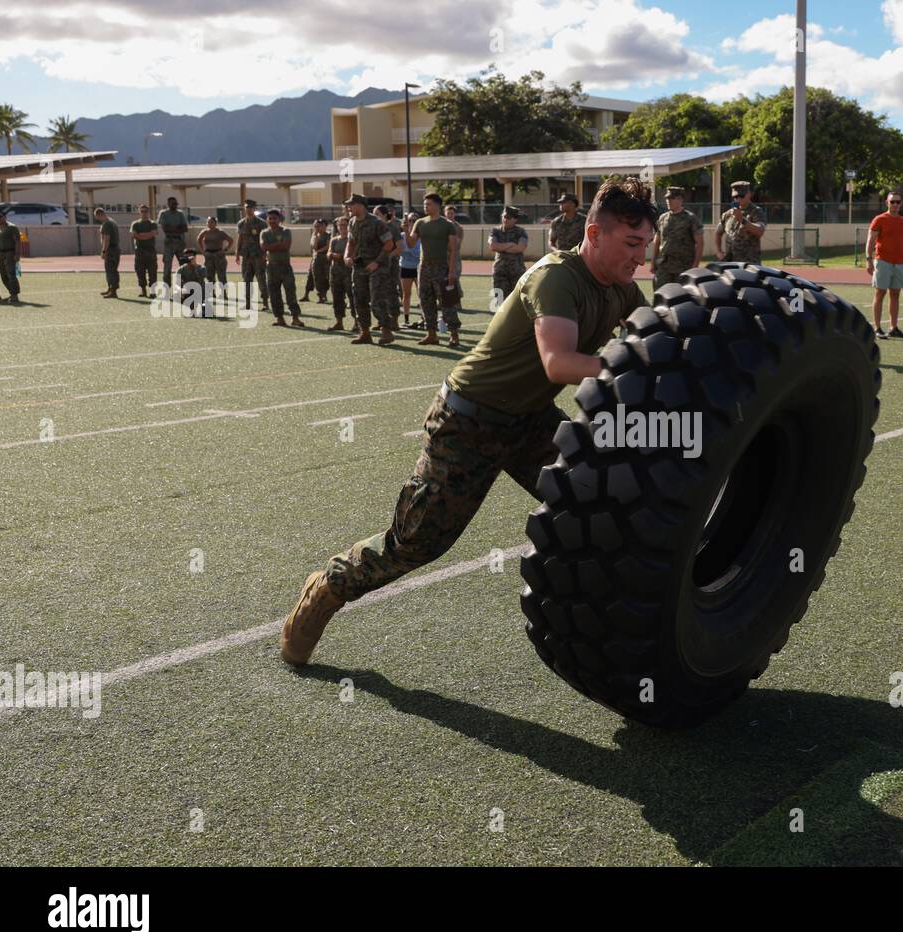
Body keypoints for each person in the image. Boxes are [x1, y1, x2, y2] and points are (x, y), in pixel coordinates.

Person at [280, 177, 658, 666]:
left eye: (645, 245)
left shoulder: (623, 290)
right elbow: (560, 363)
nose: (640, 258)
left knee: (598, 498)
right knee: (415, 542)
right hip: (468, 421)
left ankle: (607, 625)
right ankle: (330, 584)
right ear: (593, 233)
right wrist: (635, 368)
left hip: (529, 421)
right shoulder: (557, 277)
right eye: (631, 244)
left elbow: (659, 337)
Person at [408, 192, 461, 347]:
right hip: (423, 267)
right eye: (424, 204)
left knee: (446, 302)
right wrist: (406, 228)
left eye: (429, 204)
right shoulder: (420, 223)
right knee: (425, 301)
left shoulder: (447, 225)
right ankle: (432, 334)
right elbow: (411, 243)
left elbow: (453, 251)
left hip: (441, 267)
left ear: (438, 205)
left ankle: (454, 334)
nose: (425, 206)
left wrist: (451, 272)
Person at [343, 193, 396, 345]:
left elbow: (389, 244)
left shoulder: (377, 223)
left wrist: (377, 262)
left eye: (351, 204)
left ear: (360, 205)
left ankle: (386, 330)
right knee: (359, 299)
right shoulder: (352, 222)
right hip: (359, 266)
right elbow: (351, 242)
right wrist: (347, 256)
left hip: (377, 267)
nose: (349, 207)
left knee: (377, 301)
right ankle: (365, 332)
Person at [865, 191, 903, 339]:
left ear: (901, 204)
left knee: (895, 294)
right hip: (883, 261)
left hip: (899, 263)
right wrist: (868, 260)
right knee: (880, 293)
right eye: (892, 202)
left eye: (898, 202)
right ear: (887, 203)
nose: (895, 205)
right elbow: (870, 241)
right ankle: (877, 327)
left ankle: (893, 327)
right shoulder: (879, 219)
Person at [651, 185, 702, 288]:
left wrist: (695, 265)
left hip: (683, 266)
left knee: (681, 297)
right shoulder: (662, 218)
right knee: (660, 293)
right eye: (667, 198)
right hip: (664, 265)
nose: (668, 201)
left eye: (671, 198)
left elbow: (700, 243)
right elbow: (657, 241)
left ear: (680, 199)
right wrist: (653, 262)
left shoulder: (690, 218)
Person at [261, 209, 304, 327]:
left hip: (285, 266)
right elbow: (264, 247)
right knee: (274, 294)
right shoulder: (264, 233)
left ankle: (295, 318)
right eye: (270, 218)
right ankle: (280, 318)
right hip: (271, 267)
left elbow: (286, 246)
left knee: (290, 292)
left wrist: (271, 246)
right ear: (267, 220)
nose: (272, 221)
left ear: (279, 219)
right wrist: (277, 244)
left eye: (274, 218)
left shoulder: (286, 231)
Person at [715, 180, 766, 264]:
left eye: (741, 196)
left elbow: (760, 231)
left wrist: (742, 220)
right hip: (731, 263)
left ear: (749, 194)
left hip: (749, 264)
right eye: (735, 196)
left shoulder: (756, 211)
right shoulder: (727, 214)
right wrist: (719, 252)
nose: (738, 199)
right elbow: (718, 233)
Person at [235, 199, 269, 312]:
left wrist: (265, 254)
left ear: (254, 209)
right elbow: (240, 238)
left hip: (258, 256)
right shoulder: (241, 223)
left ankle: (265, 303)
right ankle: (248, 303)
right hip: (246, 256)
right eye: (246, 208)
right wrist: (237, 253)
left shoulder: (261, 223)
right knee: (246, 280)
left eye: (250, 208)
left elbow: (265, 239)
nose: (248, 210)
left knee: (261, 279)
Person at [490, 206, 528, 301]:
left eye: (508, 218)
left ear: (515, 219)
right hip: (500, 272)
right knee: (498, 301)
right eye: (504, 217)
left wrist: (501, 248)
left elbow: (520, 248)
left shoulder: (521, 232)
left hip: (517, 272)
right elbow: (493, 246)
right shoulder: (495, 231)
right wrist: (510, 245)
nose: (505, 219)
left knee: (517, 301)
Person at [327, 216, 353, 332]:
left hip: (348, 272)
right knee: (337, 298)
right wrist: (331, 255)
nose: (342, 227)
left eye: (344, 225)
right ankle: (339, 322)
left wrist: (340, 256)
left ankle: (357, 323)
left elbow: (351, 254)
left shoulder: (351, 239)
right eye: (339, 225)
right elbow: (329, 253)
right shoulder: (334, 240)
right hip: (335, 272)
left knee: (352, 298)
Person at [157, 196, 189, 289]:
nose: (175, 205)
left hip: (180, 241)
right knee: (167, 266)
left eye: (176, 204)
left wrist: (172, 229)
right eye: (173, 204)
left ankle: (184, 287)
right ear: (168, 204)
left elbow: (185, 228)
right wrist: (178, 228)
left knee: (183, 265)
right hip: (169, 241)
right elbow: (165, 228)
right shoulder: (163, 213)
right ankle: (167, 287)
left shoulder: (180, 214)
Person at [197, 216, 233, 299]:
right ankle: (212, 293)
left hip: (219, 255)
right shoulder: (205, 232)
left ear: (215, 223)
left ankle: (224, 293)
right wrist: (203, 251)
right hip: (209, 255)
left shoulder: (220, 232)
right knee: (210, 276)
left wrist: (225, 250)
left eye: (211, 222)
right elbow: (199, 239)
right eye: (208, 222)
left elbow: (230, 240)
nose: (209, 224)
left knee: (222, 276)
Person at [380, 205, 404, 322]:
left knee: (391, 291)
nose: (375, 217)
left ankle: (394, 319)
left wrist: (387, 257)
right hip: (378, 264)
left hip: (391, 264)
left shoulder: (393, 228)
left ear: (384, 215)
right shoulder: (375, 228)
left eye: (377, 214)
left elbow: (400, 248)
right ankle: (382, 320)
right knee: (379, 292)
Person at [443, 205, 465, 330]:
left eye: (452, 213)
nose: (450, 215)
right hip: (442, 256)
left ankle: (457, 301)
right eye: (448, 212)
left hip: (454, 257)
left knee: (454, 279)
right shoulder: (441, 225)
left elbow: (457, 244)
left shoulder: (458, 227)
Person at [130, 204, 159, 298]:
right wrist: (146, 235)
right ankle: (143, 290)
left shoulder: (152, 223)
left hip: (150, 250)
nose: (144, 213)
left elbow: (153, 233)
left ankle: (152, 291)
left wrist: (141, 235)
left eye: (145, 211)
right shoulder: (135, 224)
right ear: (139, 212)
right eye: (142, 211)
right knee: (140, 271)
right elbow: (134, 235)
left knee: (152, 271)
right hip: (139, 251)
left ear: (148, 212)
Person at [399, 212, 421, 328]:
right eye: (410, 220)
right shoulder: (402, 235)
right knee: (406, 294)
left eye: (415, 220)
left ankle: (424, 318)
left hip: (418, 268)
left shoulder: (421, 236)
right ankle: (406, 319)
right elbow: (400, 250)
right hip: (406, 267)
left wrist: (409, 252)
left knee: (421, 294)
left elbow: (418, 253)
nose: (412, 222)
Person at [94, 207, 121, 299]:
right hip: (115, 248)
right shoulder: (111, 221)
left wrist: (104, 250)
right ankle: (110, 288)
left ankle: (113, 290)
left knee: (111, 270)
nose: (96, 219)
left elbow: (106, 238)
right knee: (111, 269)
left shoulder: (106, 224)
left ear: (99, 214)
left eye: (96, 217)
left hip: (111, 249)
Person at [302, 219, 330, 304]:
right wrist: (316, 237)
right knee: (311, 277)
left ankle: (322, 296)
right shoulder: (314, 235)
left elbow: (328, 246)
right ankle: (306, 295)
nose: (317, 228)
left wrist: (319, 251)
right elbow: (314, 247)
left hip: (325, 260)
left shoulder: (328, 235)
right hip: (315, 259)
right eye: (315, 226)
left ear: (324, 226)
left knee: (324, 278)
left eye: (318, 226)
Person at [176, 249, 209, 319]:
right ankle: (191, 308)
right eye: (186, 257)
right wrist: (180, 290)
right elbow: (177, 283)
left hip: (199, 292)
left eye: (191, 257)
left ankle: (201, 307)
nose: (189, 259)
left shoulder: (202, 268)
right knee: (176, 293)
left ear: (195, 257)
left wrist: (194, 267)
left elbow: (200, 281)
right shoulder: (181, 269)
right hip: (187, 292)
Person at [0, 209, 21, 304]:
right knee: (3, 276)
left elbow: (17, 242)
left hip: (10, 253)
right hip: (0, 254)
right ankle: (11, 293)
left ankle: (14, 295)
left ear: (5, 217)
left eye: (0, 216)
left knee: (11, 274)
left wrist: (17, 254)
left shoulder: (12, 227)